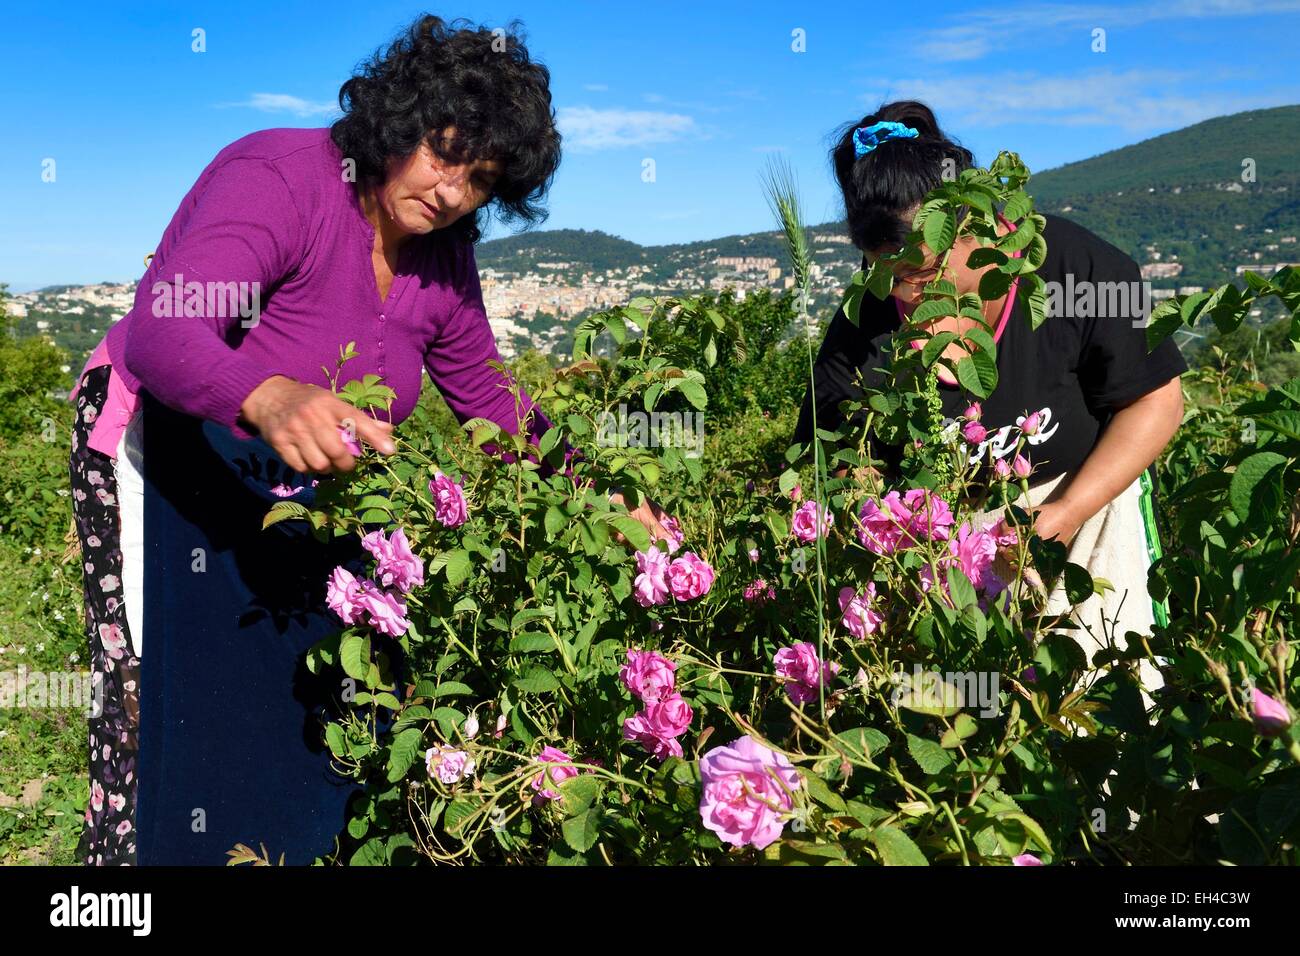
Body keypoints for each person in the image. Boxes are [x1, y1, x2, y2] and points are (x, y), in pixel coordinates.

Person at [66, 14, 669, 866]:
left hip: (291, 464)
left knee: (290, 686)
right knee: (162, 701)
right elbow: (168, 332)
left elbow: (490, 400)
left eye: (483, 179)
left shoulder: (441, 255)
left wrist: (593, 482)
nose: (452, 189)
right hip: (158, 438)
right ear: (399, 117)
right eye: (443, 152)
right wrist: (269, 394)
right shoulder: (280, 176)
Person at [794, 101, 1187, 690]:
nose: (903, 290)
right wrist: (898, 524)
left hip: (1088, 507)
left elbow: (1156, 401)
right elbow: (820, 463)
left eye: (922, 274)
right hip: (947, 555)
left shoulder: (1078, 271)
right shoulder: (864, 324)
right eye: (883, 271)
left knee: (1113, 704)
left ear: (970, 224)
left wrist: (1059, 517)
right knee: (972, 719)